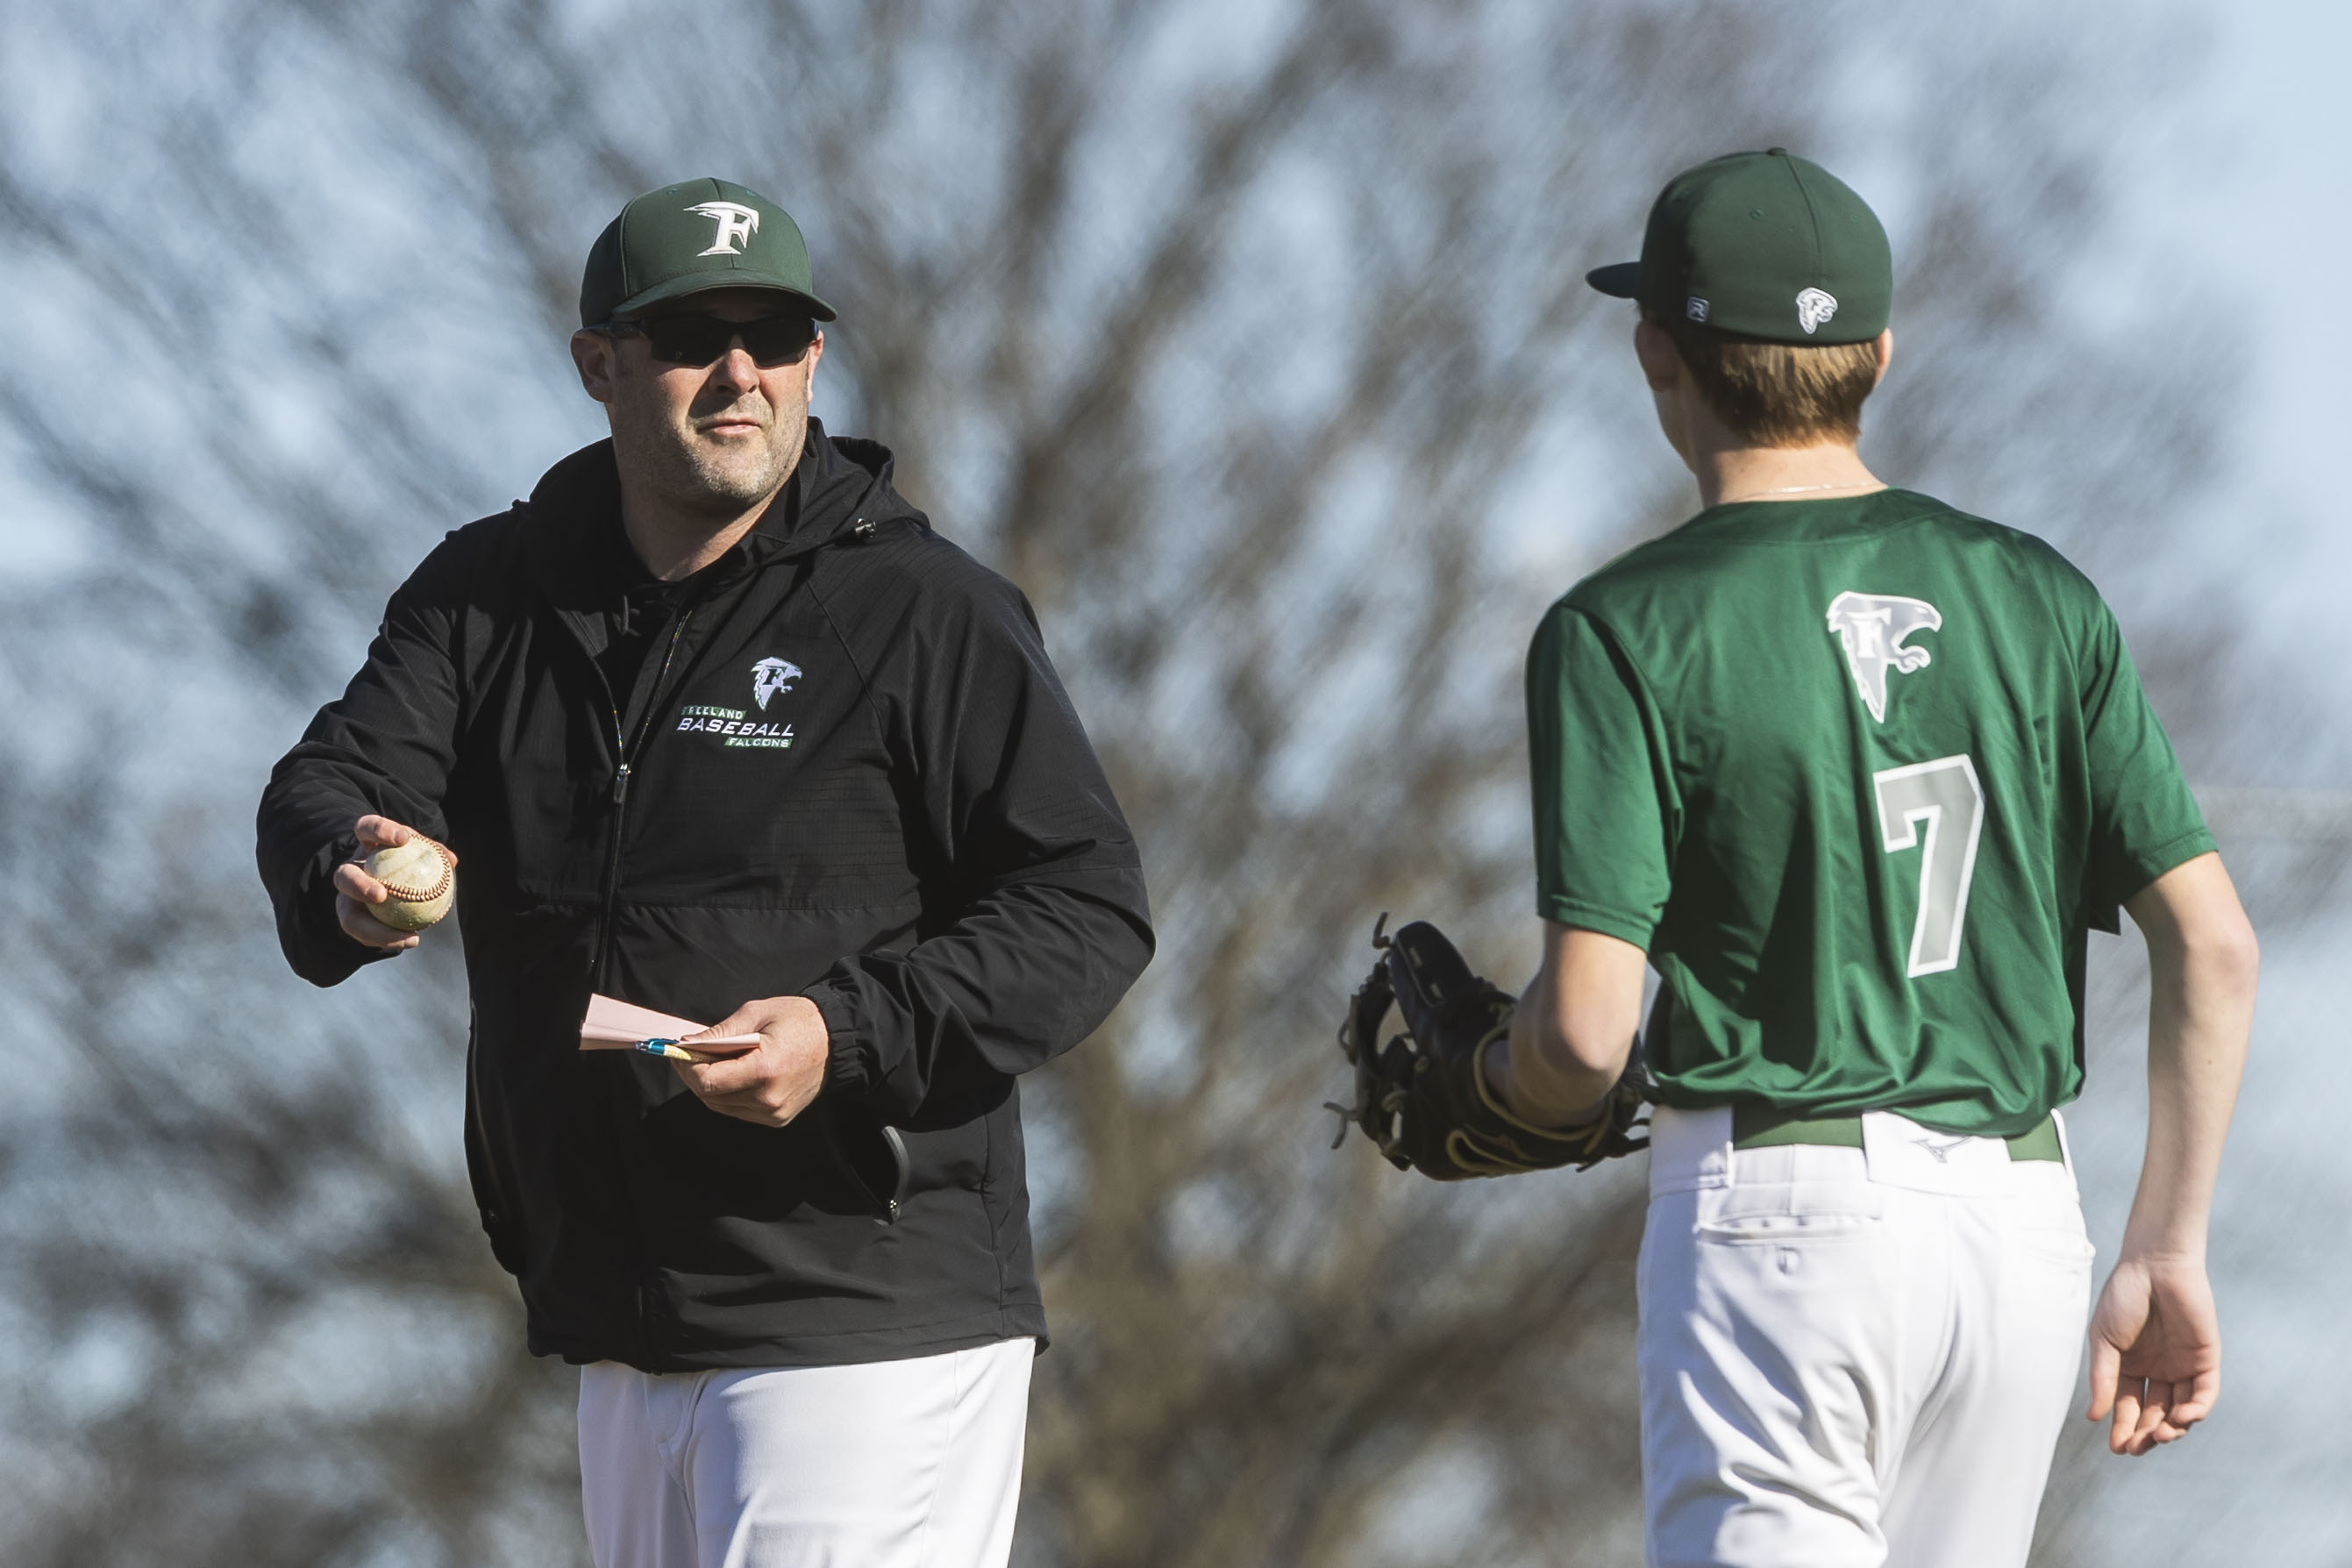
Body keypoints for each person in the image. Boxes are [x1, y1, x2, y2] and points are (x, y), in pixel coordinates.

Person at [255, 176, 1153, 1568]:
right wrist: (352, 865)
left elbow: (1083, 905)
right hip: (617, 1322)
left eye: (775, 335)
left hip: (860, 1314)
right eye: (690, 336)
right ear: (598, 364)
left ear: (810, 362)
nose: (738, 372)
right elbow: (330, 784)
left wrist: (847, 1034)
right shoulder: (489, 594)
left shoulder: (923, 612)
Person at [1480, 149, 2258, 1567]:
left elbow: (1585, 1039)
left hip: (1783, 1219)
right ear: (1877, 355)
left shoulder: (1623, 625)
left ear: (1657, 348)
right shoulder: (2035, 593)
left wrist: (1491, 1077)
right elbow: (2210, 944)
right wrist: (2165, 1245)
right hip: (2019, 1231)